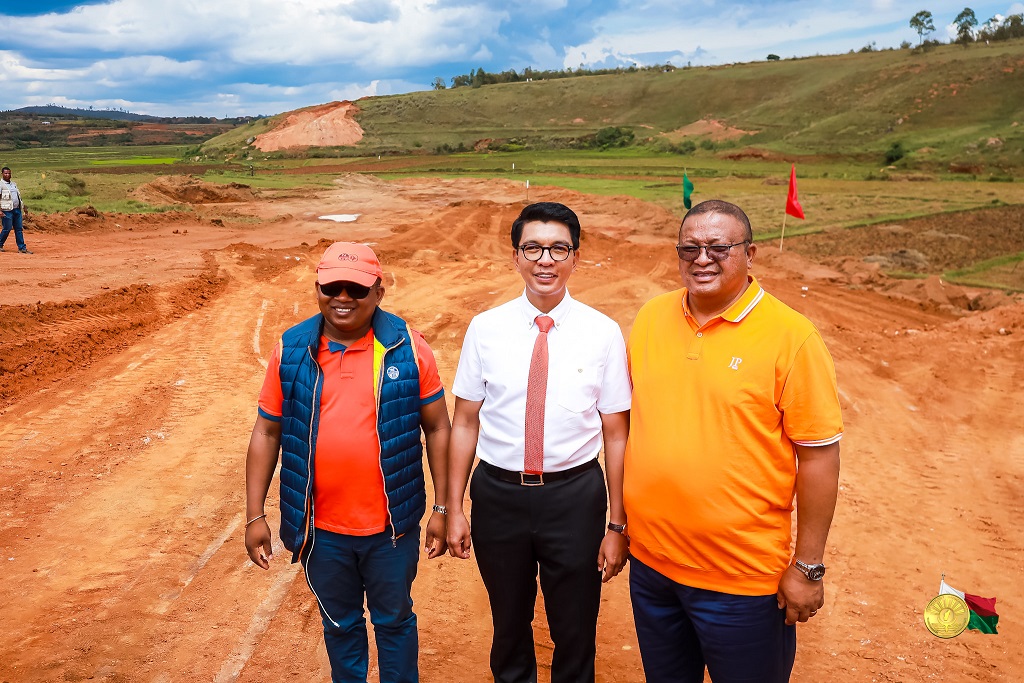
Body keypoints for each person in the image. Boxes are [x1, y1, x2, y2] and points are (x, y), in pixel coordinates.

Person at [624, 199, 844, 683]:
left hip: (741, 582)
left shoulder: (792, 338)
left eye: (719, 247)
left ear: (751, 253)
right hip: (653, 570)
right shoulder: (650, 319)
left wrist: (807, 566)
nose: (702, 258)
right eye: (690, 247)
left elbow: (820, 459)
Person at [244, 241, 451, 683]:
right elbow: (267, 430)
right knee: (340, 625)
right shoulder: (292, 350)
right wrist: (254, 515)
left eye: (356, 289)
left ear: (378, 291)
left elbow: (438, 428)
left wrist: (443, 508)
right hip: (321, 532)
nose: (342, 297)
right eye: (331, 287)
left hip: (390, 530)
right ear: (317, 289)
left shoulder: (407, 349)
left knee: (394, 621)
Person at [446, 202, 631, 683]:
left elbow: (615, 431)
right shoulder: (486, 328)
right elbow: (464, 422)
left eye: (558, 248)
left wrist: (617, 522)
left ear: (575, 257)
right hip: (498, 494)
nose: (545, 260)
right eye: (533, 248)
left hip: (574, 498)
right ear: (516, 256)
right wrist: (454, 507)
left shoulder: (603, 333)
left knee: (575, 629)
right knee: (508, 624)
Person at [0, 166, 32, 254]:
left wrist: (23, 207)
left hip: (17, 210)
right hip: (7, 210)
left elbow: (18, 197)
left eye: (9, 173)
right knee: (7, 228)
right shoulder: (1, 185)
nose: (8, 175)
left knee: (19, 229)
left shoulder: (13, 184)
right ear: (2, 174)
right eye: (6, 173)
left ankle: (22, 248)